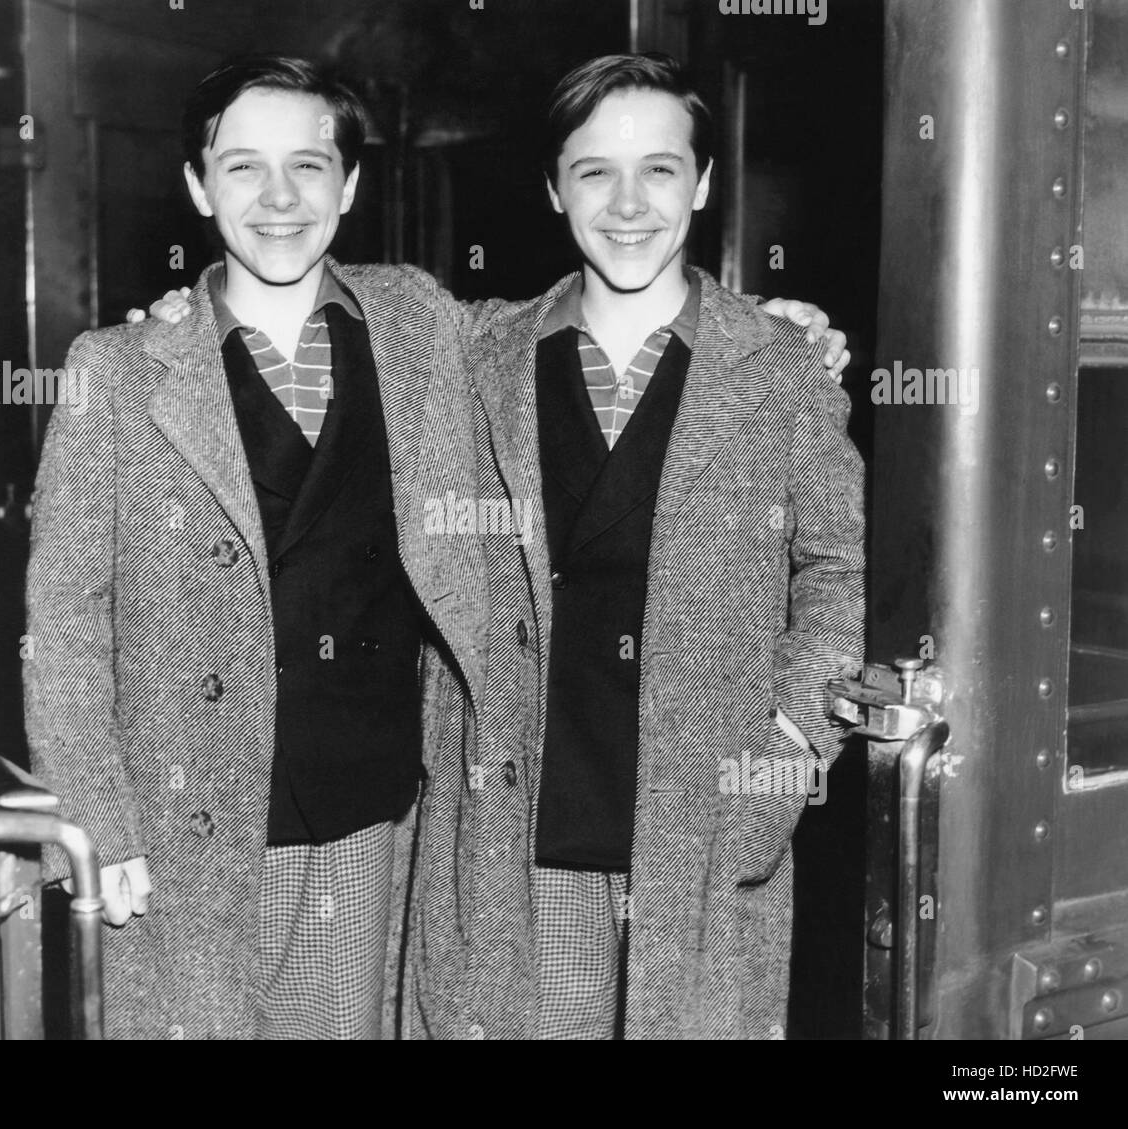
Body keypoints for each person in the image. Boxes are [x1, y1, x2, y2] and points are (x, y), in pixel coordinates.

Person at [130, 53, 857, 1041]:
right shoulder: (471, 351)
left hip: (705, 829)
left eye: (661, 168)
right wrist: (174, 319)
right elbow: (300, 311)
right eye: (595, 170)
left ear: (705, 182)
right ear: (554, 188)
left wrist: (785, 748)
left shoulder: (782, 367)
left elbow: (841, 577)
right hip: (515, 833)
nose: (630, 202)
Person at [25, 54, 515, 1039]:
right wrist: (96, 819)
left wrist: (764, 321)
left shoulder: (418, 321)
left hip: (361, 800)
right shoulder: (117, 370)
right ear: (199, 188)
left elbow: (556, 331)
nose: (279, 197)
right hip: (182, 816)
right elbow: (64, 625)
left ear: (351, 184)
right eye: (243, 167)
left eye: (309, 164)